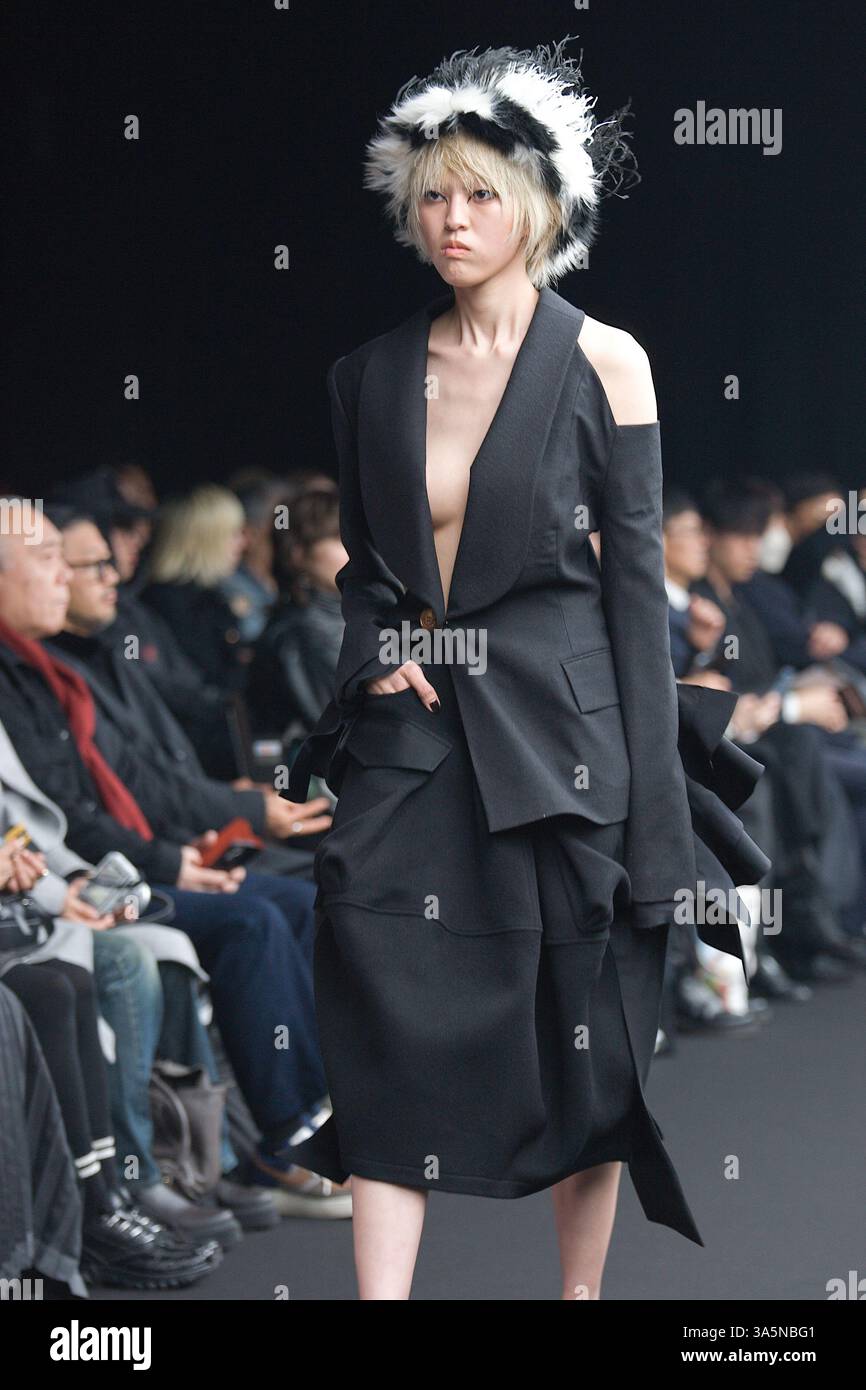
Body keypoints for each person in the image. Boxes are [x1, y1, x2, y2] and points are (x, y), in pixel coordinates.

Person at [284, 40, 770, 1299]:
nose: (452, 217)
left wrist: (656, 836)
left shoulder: (606, 361)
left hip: (569, 754)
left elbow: (632, 602)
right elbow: (363, 574)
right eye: (433, 192)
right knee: (374, 1018)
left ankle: (576, 1299)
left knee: (584, 1048)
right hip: (411, 755)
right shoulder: (371, 375)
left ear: (541, 207)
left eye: (482, 193)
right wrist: (376, 654)